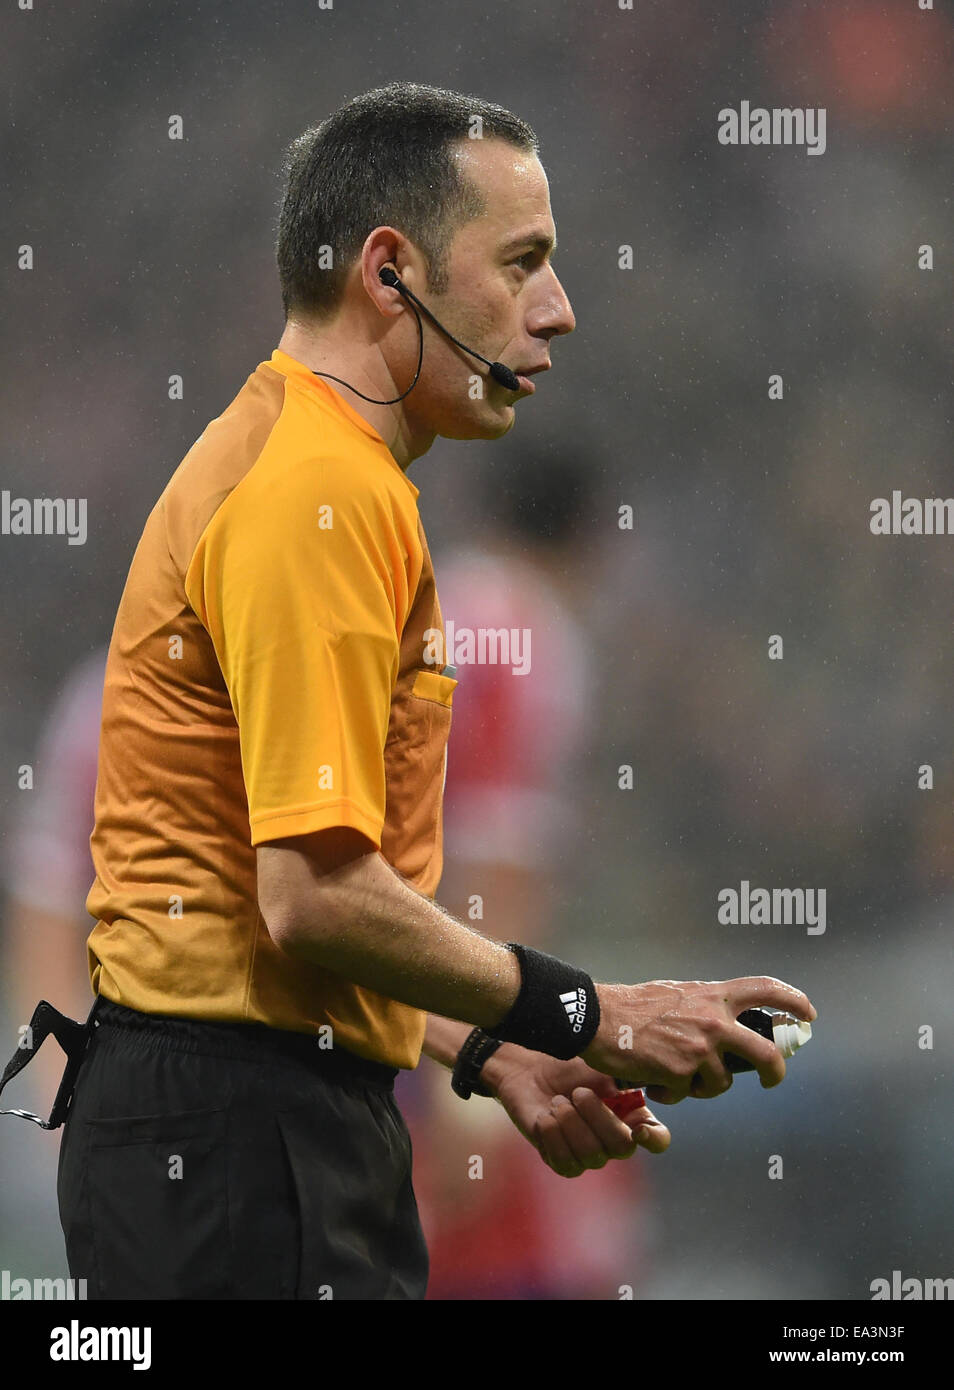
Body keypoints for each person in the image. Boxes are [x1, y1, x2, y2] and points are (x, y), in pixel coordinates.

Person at [47, 81, 815, 1300]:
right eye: (522, 264)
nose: (558, 313)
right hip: (245, 1147)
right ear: (390, 271)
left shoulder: (299, 460)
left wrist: (478, 1044)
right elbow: (313, 897)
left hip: (217, 1127)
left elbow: (254, 908)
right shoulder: (319, 493)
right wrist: (591, 1013)